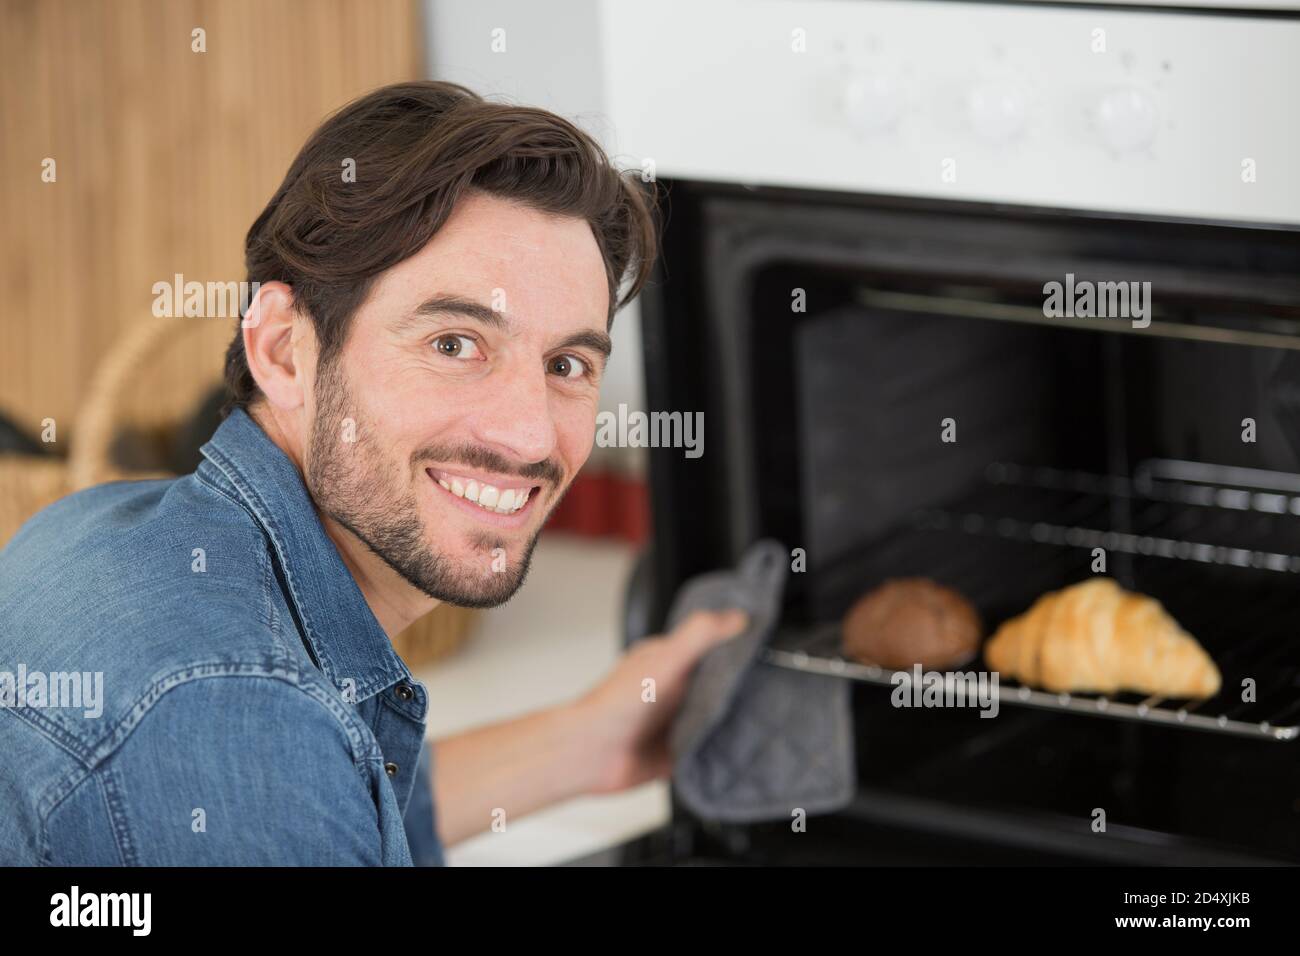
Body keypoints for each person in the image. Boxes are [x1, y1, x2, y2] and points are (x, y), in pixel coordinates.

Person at [0, 81, 747, 865]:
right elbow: (273, 777)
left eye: (567, 363)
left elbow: (324, 801)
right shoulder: (239, 711)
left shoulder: (103, 533)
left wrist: (590, 742)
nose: (529, 433)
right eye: (455, 344)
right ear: (284, 350)